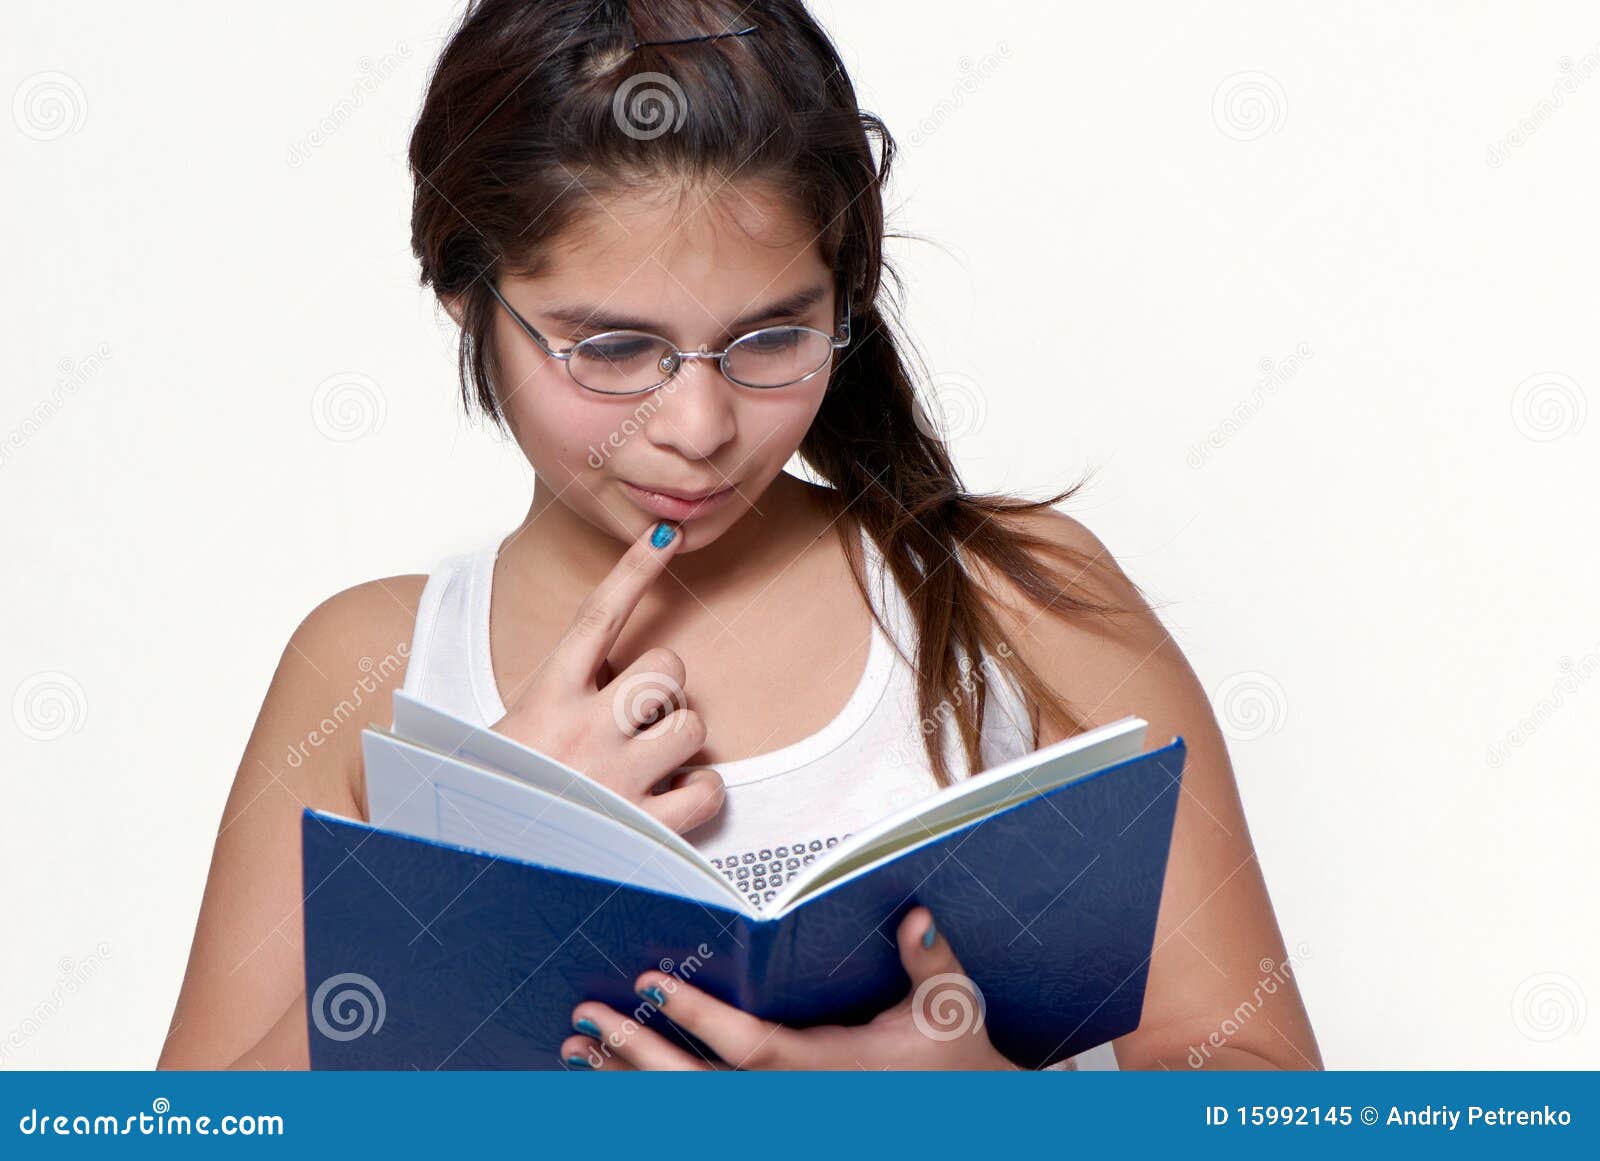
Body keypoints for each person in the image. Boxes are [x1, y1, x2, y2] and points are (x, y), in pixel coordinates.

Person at [158, 0, 1320, 1071]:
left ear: (843, 294)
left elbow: (1280, 1106)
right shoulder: (368, 674)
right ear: (467, 296)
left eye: (772, 338)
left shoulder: (1016, 604)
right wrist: (470, 877)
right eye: (611, 349)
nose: (701, 427)